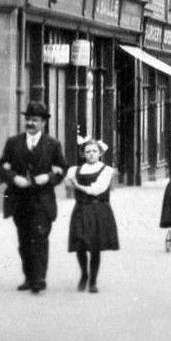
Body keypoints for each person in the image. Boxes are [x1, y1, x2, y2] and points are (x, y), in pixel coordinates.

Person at [1, 102, 67, 294]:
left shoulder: (52, 144)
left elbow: (62, 168)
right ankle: (29, 277)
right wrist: (14, 178)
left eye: (35, 120)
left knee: (39, 238)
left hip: (42, 200)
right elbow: (2, 166)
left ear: (43, 123)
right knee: (24, 240)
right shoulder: (13, 143)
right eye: (28, 119)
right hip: (19, 200)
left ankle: (39, 278)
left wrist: (48, 177)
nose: (30, 123)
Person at [66, 137, 120, 292]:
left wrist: (77, 185)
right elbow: (66, 182)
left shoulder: (106, 170)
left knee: (95, 246)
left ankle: (93, 280)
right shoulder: (75, 170)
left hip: (98, 210)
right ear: (83, 154)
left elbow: (97, 189)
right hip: (81, 209)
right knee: (80, 245)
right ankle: (84, 274)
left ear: (100, 153)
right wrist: (70, 183)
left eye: (94, 151)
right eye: (87, 151)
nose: (91, 154)